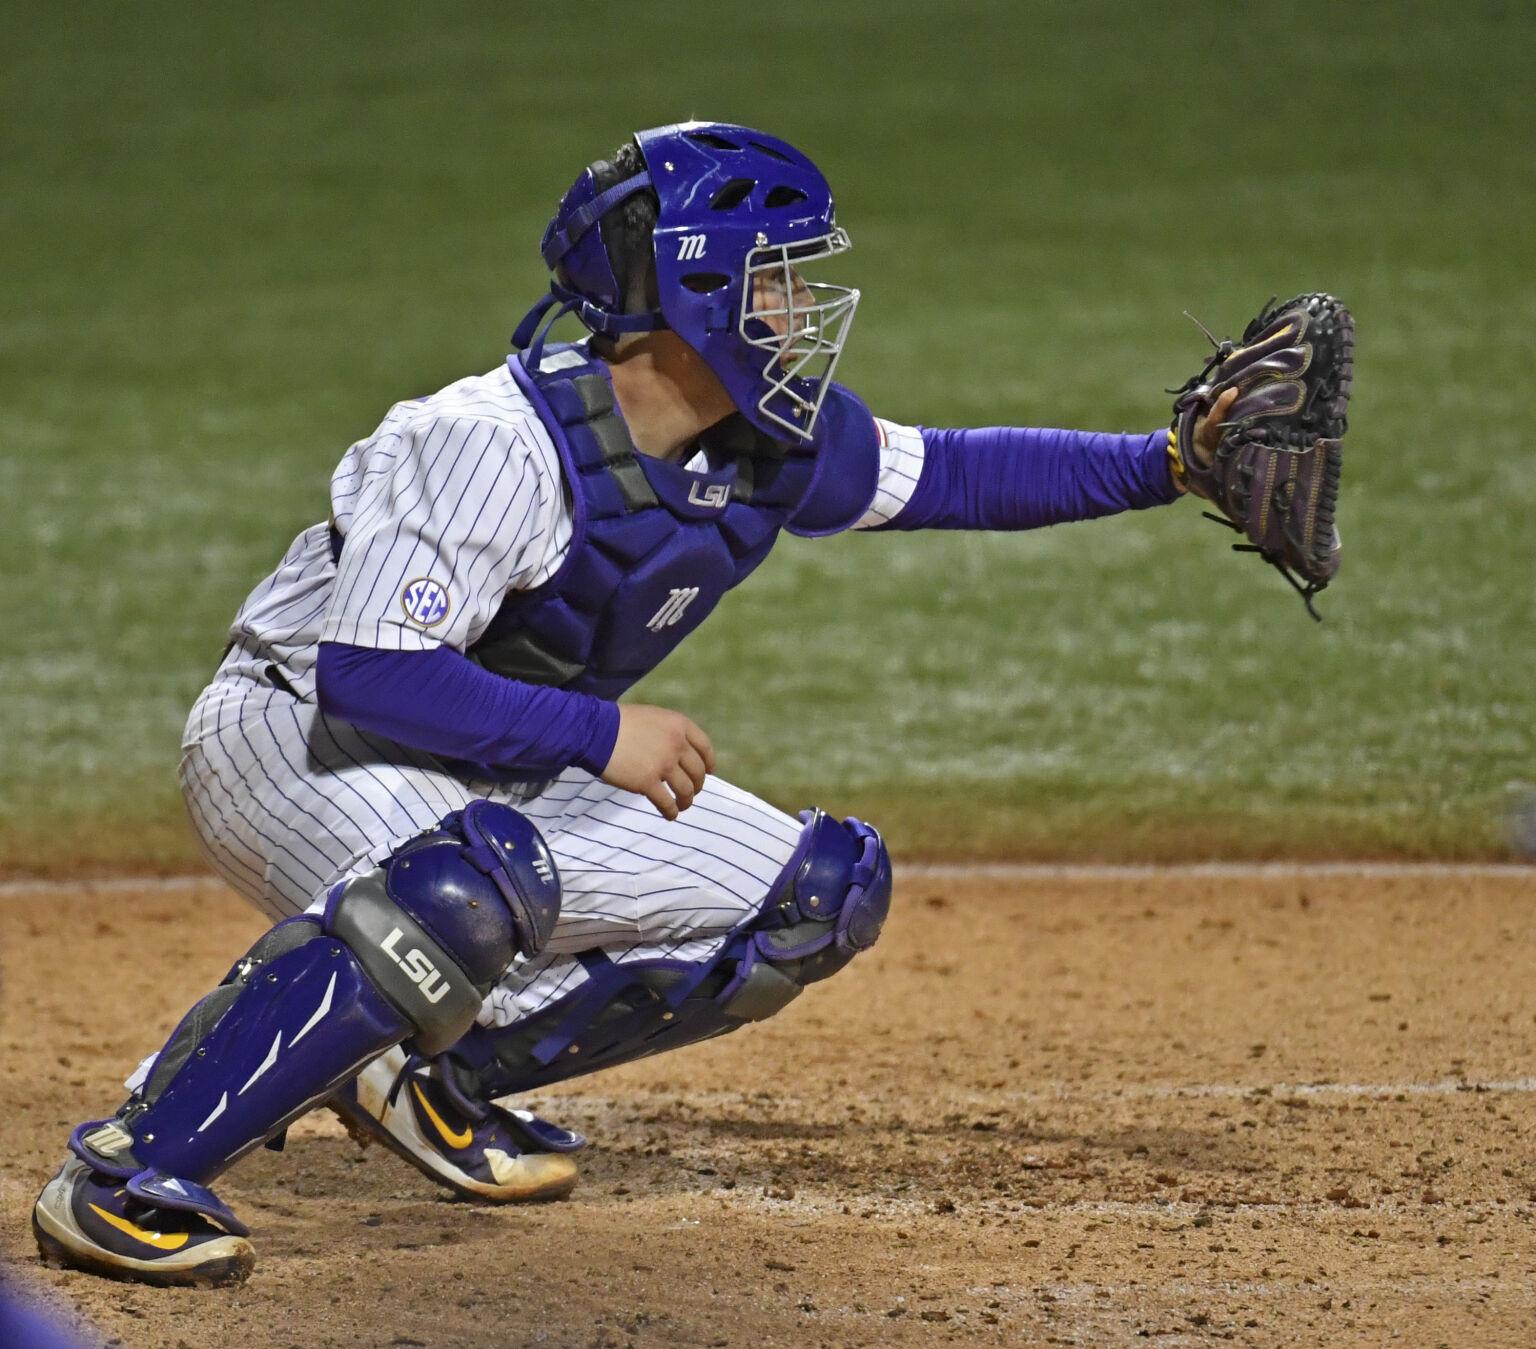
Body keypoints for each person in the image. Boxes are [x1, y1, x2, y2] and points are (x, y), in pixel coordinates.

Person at [31, 120, 1235, 1286]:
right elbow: (374, 672)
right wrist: (602, 733)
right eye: (777, 278)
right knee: (465, 888)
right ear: (695, 289)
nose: (801, 310)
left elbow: (955, 473)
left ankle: (421, 1072)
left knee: (817, 891)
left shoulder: (766, 440)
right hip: (293, 733)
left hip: (478, 763)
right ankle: (128, 1172)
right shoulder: (488, 441)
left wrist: (1168, 463)